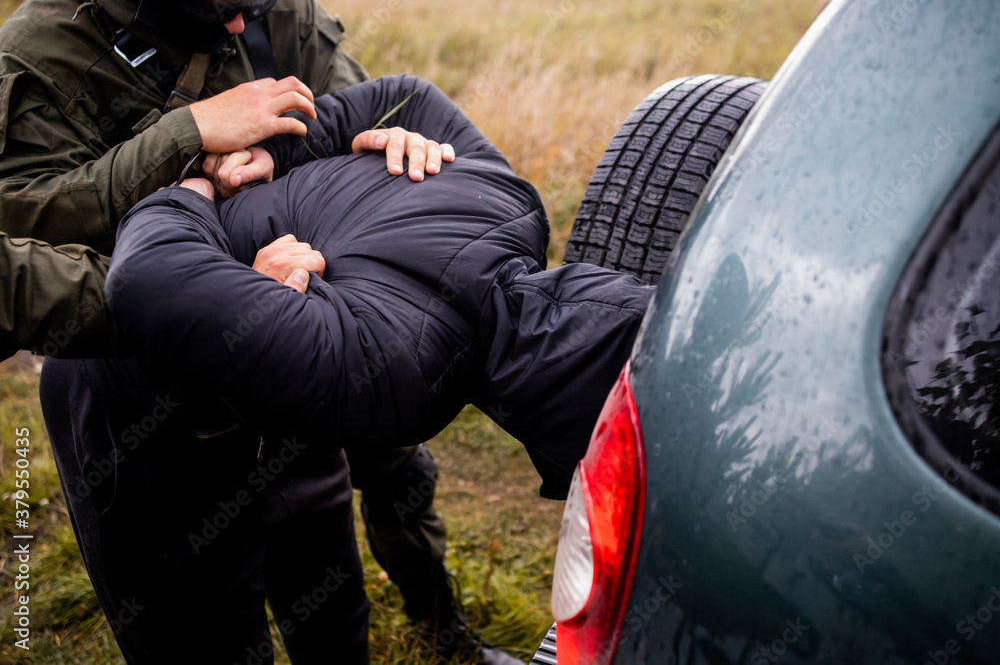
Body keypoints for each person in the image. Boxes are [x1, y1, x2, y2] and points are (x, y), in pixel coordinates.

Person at [41, 73, 653, 664]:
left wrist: (273, 157)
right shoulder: (399, 383)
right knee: (203, 629)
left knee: (326, 595)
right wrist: (195, 190)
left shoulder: (514, 204)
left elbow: (406, 97)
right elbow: (146, 279)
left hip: (279, 404)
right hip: (142, 409)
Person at [0, 0, 518, 662]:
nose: (245, 24)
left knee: (334, 599)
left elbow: (348, 107)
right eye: (223, 7)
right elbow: (22, 232)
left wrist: (377, 150)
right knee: (203, 632)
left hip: (293, 334)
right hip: (138, 393)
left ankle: (439, 619)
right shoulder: (42, 54)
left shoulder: (274, 9)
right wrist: (185, 139)